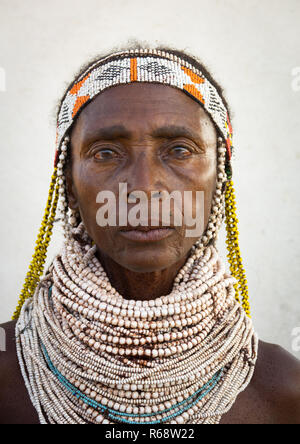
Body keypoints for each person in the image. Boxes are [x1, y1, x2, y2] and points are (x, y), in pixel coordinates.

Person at [0, 46, 299, 425]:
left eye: (179, 150)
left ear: (219, 179)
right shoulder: (9, 375)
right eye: (106, 153)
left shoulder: (281, 391)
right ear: (70, 185)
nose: (143, 188)